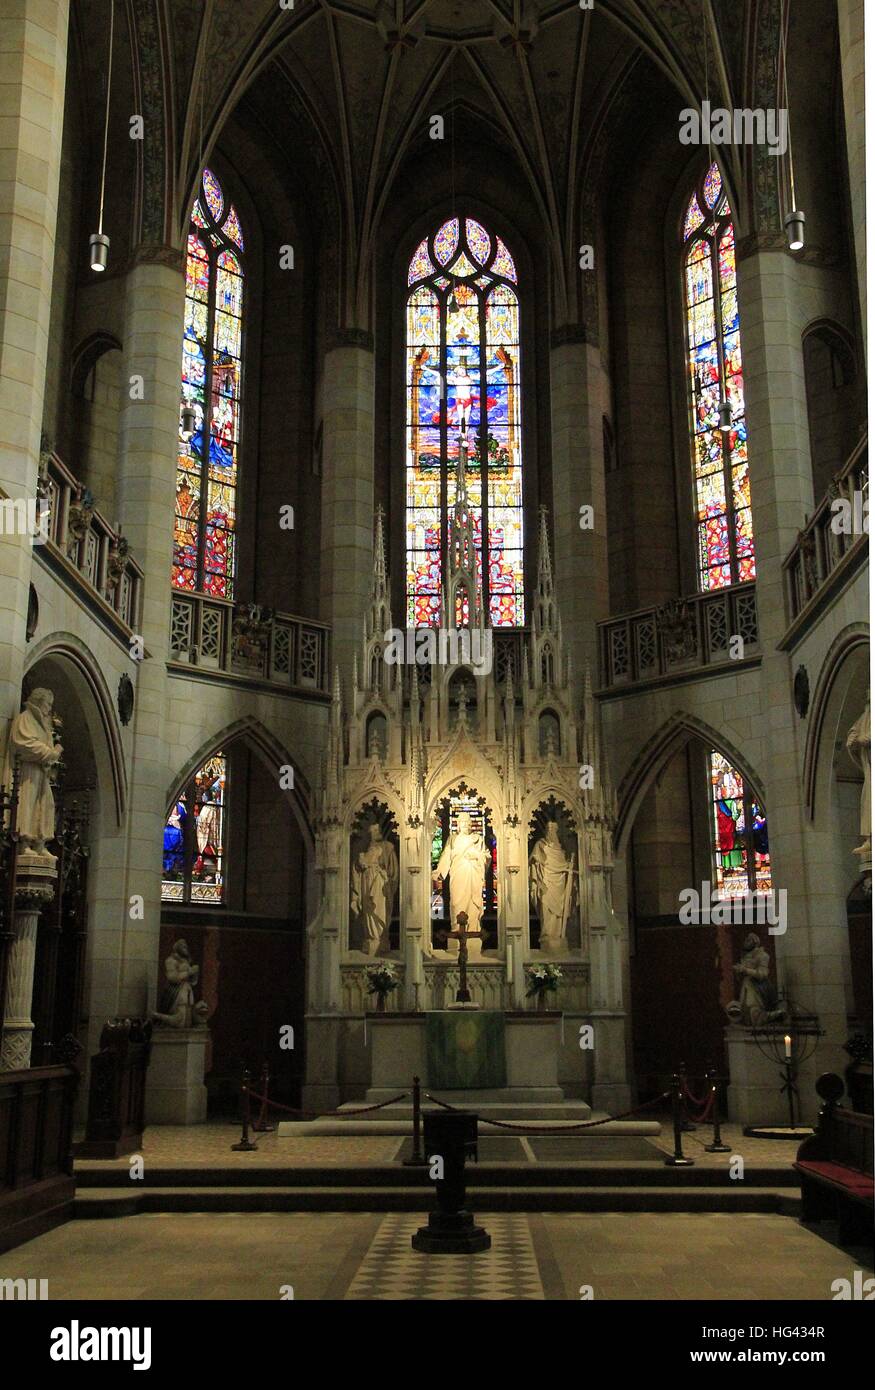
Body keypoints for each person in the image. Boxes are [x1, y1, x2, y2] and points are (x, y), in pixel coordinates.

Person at [1, 687, 61, 855]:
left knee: (45, 804)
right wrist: (49, 753)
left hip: (41, 771)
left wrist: (52, 755)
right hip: (28, 770)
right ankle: (24, 841)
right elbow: (23, 743)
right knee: (27, 802)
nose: (49, 708)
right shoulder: (25, 718)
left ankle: (40, 842)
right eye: (48, 704)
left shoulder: (43, 724)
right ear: (39, 702)